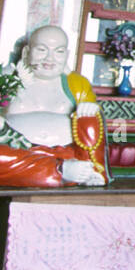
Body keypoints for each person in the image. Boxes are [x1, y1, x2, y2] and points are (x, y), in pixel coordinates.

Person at [0, 25, 107, 188]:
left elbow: (95, 126)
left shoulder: (77, 84)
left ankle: (87, 170)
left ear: (67, 55)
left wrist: (90, 109)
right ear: (26, 52)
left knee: (91, 118)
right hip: (17, 154)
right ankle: (59, 170)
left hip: (67, 153)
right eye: (41, 50)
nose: (49, 58)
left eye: (59, 51)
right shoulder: (8, 79)